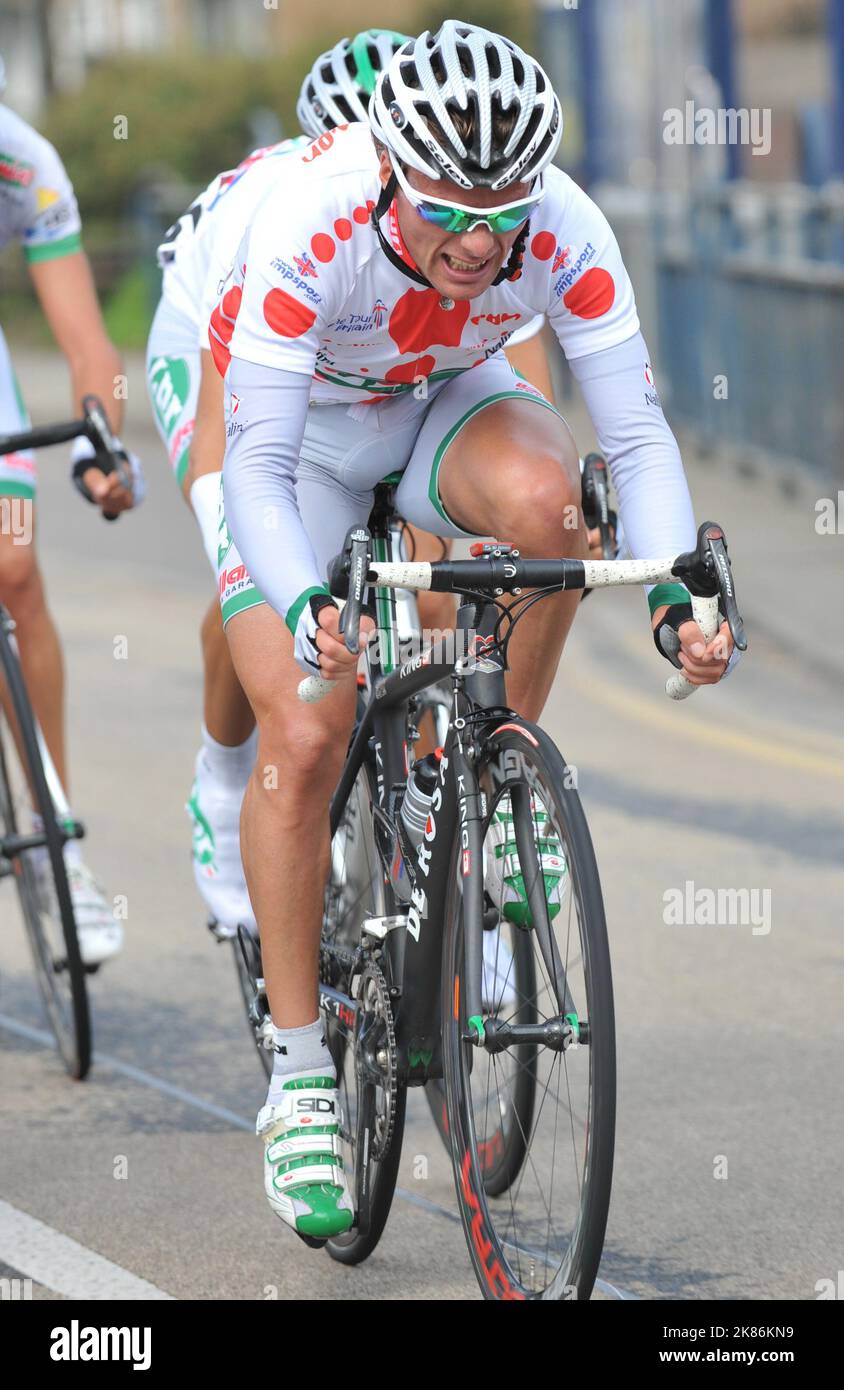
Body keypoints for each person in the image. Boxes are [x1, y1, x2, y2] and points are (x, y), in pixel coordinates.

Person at [211, 20, 736, 1240]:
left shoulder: (561, 222)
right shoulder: (310, 223)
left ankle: (483, 779)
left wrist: (676, 598)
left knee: (554, 511)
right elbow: (257, 462)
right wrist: (305, 602)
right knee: (301, 725)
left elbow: (641, 439)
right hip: (309, 446)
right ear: (390, 166)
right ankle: (298, 1078)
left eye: (501, 213)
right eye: (449, 209)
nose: (478, 242)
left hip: (450, 401)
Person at [147, 29, 555, 938]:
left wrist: (512, 517)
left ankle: (430, 854)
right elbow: (234, 455)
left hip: (367, 365)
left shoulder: (463, 223)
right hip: (213, 346)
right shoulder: (286, 209)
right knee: (250, 568)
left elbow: (518, 369)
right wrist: (265, 573)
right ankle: (220, 776)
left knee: (432, 594)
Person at [0, 55, 143, 965]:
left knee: (11, 567)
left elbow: (87, 342)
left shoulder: (25, 161)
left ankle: (56, 842)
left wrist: (101, 448)